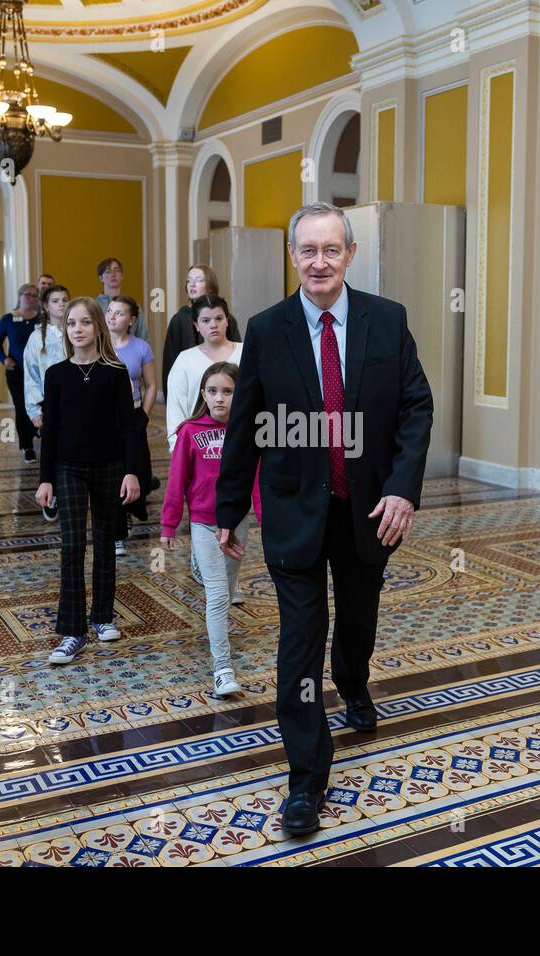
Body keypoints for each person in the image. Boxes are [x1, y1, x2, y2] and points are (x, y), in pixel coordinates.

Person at [214, 202, 433, 837]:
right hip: (294, 512)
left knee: (359, 614)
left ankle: (354, 681)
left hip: (368, 509)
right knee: (299, 643)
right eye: (307, 250)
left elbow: (416, 407)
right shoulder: (267, 327)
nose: (318, 261)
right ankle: (306, 778)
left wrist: (402, 490)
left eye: (330, 249)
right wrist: (228, 510)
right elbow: (247, 425)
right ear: (292, 255)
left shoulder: (387, 321)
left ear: (350, 254)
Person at [35, 297, 141, 664]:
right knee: (72, 547)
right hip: (68, 468)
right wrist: (45, 478)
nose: (77, 329)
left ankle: (102, 616)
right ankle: (73, 631)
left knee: (105, 543)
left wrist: (132, 471)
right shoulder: (57, 375)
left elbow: (129, 428)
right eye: (70, 324)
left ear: (98, 327)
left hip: (110, 467)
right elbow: (50, 434)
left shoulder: (115, 372)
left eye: (84, 322)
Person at [160, 362, 261, 698]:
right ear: (203, 394)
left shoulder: (247, 429)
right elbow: (177, 481)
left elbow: (257, 477)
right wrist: (169, 525)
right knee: (218, 595)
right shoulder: (189, 431)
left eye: (228, 391)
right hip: (204, 523)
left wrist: (264, 516)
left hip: (238, 520)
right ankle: (223, 670)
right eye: (213, 391)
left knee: (228, 591)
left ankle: (202, 567)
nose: (220, 398)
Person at [105, 295, 157, 556]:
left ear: (131, 320)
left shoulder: (141, 347)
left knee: (140, 471)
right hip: (105, 419)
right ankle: (117, 532)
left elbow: (151, 386)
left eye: (119, 313)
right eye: (110, 312)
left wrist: (143, 416)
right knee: (114, 472)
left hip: (133, 416)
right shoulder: (98, 345)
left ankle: (132, 504)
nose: (112, 317)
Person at [165, 294, 242, 452]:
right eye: (206, 320)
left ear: (227, 320)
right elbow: (176, 407)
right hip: (199, 446)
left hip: (240, 441)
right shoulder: (185, 360)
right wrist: (178, 449)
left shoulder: (246, 353)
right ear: (196, 325)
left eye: (219, 318)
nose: (213, 325)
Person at [24, 284, 69, 521]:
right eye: (55, 300)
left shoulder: (76, 331)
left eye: (64, 299)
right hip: (49, 404)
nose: (61, 304)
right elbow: (30, 375)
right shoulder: (36, 338)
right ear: (45, 306)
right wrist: (33, 409)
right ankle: (52, 492)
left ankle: (69, 492)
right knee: (51, 451)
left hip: (75, 403)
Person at [163, 264, 241, 394]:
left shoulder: (228, 319)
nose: (192, 284)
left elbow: (236, 356)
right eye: (189, 280)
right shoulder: (179, 320)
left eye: (198, 280)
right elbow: (170, 363)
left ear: (210, 286)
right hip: (191, 388)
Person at [0, 283, 42, 462]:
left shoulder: (42, 319)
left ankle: (36, 432)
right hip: (16, 372)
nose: (30, 298)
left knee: (39, 406)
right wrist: (4, 359)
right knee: (22, 407)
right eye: (27, 295)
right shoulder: (8, 319)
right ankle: (27, 446)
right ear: (19, 296)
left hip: (39, 372)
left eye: (35, 296)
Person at [94, 258, 147, 340]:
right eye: (108, 271)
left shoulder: (133, 305)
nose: (113, 274)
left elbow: (143, 336)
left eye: (117, 270)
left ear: (122, 275)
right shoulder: (94, 305)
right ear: (101, 278)